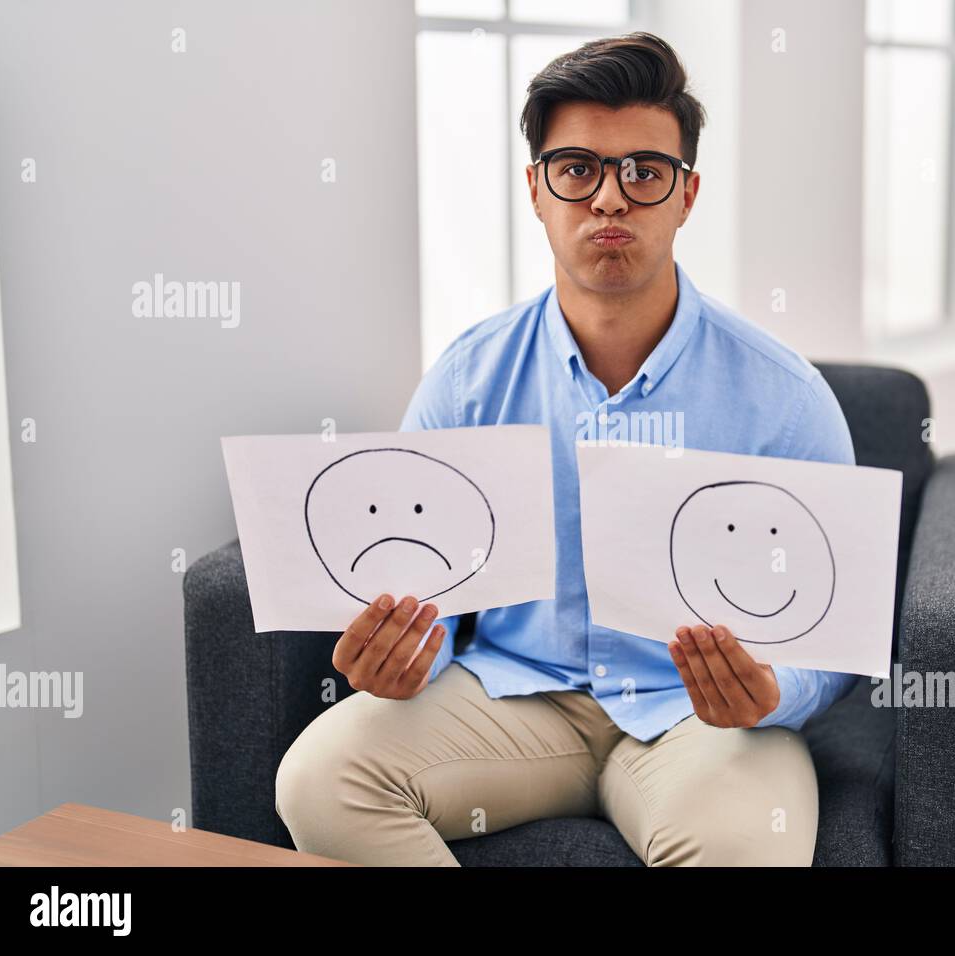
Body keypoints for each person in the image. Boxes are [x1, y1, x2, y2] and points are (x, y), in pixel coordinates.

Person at [275, 31, 857, 866]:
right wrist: (404, 652)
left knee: (747, 852)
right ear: (538, 191)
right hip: (513, 700)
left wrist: (771, 692)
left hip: (698, 717)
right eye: (577, 169)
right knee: (317, 780)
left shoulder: (788, 400)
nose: (610, 200)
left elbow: (831, 638)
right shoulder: (467, 382)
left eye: (644, 173)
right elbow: (430, 598)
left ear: (686, 196)